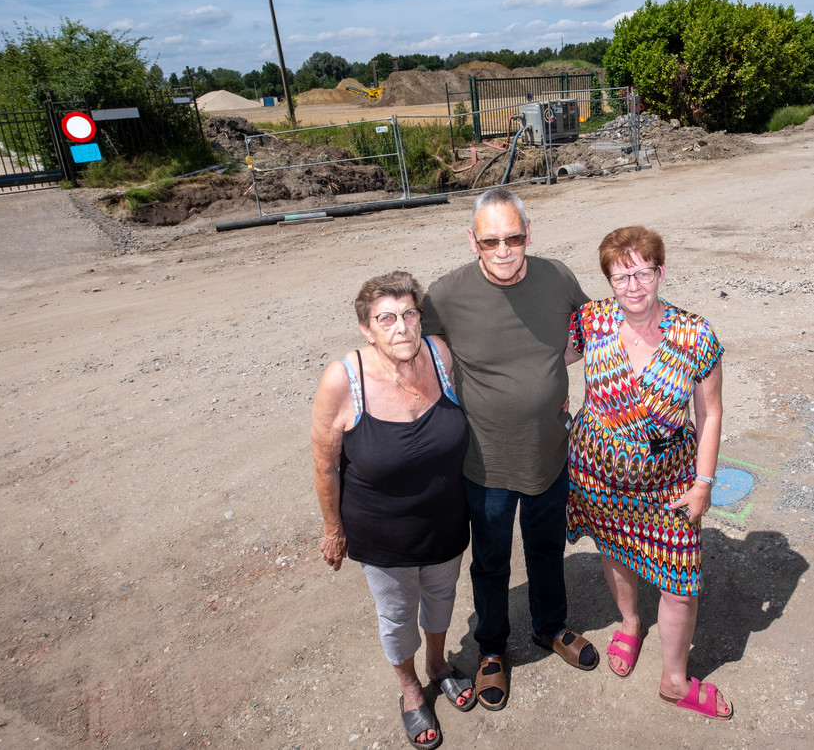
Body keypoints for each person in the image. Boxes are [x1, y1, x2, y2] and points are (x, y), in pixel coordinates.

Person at [420, 188, 599, 712]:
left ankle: (550, 627)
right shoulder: (445, 295)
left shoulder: (557, 276)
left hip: (549, 453)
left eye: (513, 238)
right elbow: (417, 357)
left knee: (546, 550)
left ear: (528, 235)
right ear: (472, 240)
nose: (503, 250)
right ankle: (493, 650)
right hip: (486, 461)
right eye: (491, 240)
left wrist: (562, 371)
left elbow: (593, 329)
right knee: (492, 560)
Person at [565, 225, 733, 720]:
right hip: (599, 476)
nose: (633, 286)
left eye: (642, 273)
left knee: (682, 581)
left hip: (669, 481)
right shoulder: (589, 322)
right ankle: (630, 622)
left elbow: (711, 414)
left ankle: (675, 680)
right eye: (621, 277)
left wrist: (703, 483)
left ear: (661, 272)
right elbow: (543, 363)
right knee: (616, 550)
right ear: (609, 281)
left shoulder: (695, 334)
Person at [311, 271, 476, 749]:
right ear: (367, 328)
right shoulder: (344, 379)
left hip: (445, 521)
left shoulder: (439, 357)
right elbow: (325, 467)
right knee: (398, 613)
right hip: (383, 536)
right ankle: (409, 689)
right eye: (386, 318)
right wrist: (332, 530)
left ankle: (439, 663)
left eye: (409, 314)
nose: (401, 327)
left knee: (442, 598)